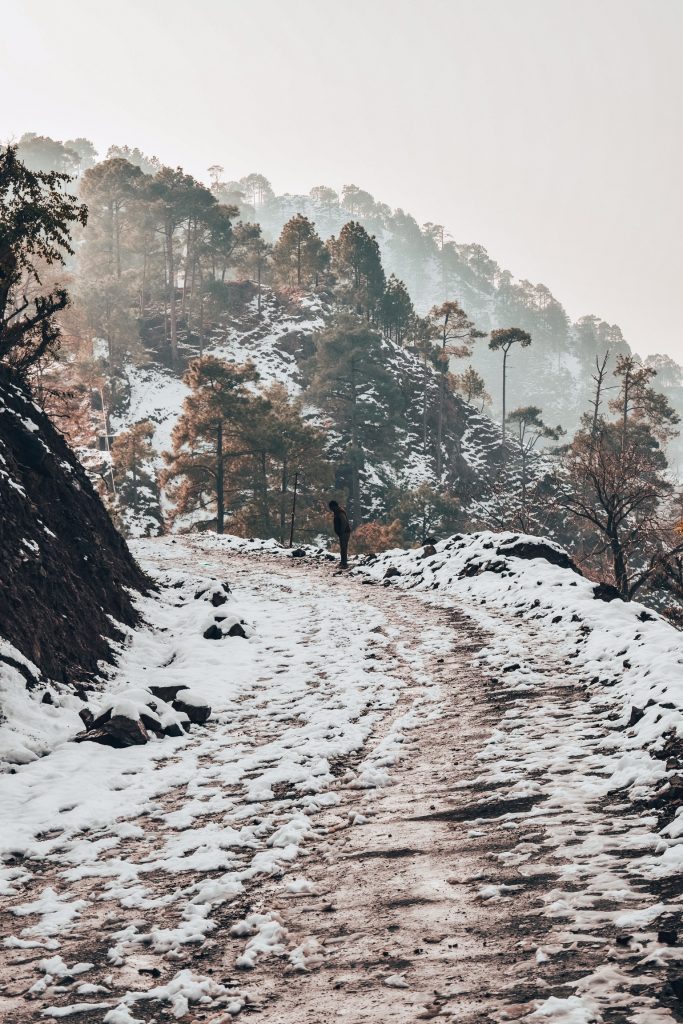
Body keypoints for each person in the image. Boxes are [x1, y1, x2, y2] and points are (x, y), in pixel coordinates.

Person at [328, 499, 351, 569]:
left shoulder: (340, 512)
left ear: (334, 506)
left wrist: (341, 532)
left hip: (344, 533)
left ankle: (344, 563)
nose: (331, 509)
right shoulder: (337, 511)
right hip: (343, 533)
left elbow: (344, 522)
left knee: (343, 547)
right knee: (343, 547)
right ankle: (343, 562)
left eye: (331, 507)